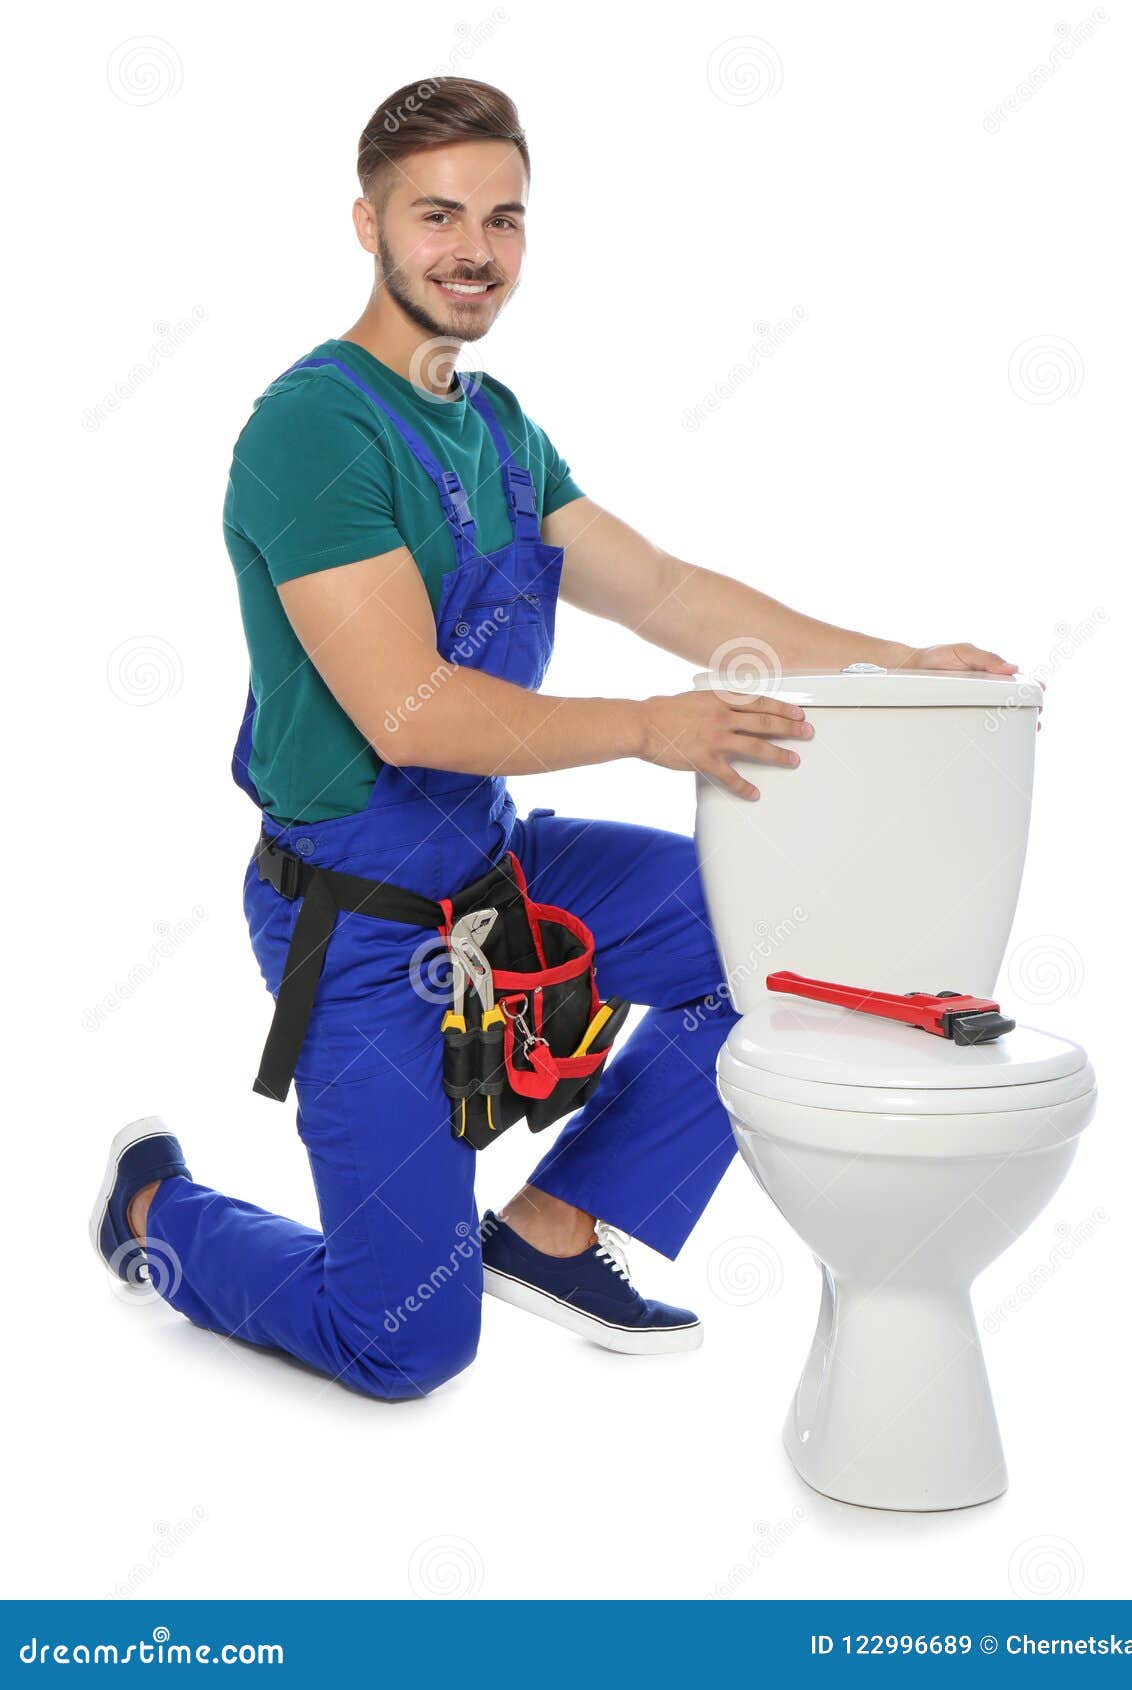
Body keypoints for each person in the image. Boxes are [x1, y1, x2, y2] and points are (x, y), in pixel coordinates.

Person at [91, 77, 1020, 1401]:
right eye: (439, 216)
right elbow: (410, 710)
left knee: (776, 945)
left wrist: (888, 661)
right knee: (404, 1339)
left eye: (503, 219)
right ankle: (153, 1219)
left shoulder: (500, 428)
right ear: (368, 224)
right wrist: (651, 727)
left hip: (495, 867)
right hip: (361, 924)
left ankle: (551, 1227)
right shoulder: (315, 431)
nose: (474, 250)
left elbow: (665, 591)